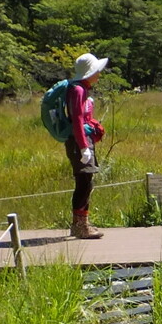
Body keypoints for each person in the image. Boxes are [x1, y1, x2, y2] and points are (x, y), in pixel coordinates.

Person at [64, 52, 108, 239]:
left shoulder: (81, 89)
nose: (99, 74)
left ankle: (83, 224)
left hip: (82, 141)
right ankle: (80, 227)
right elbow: (77, 121)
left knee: (86, 181)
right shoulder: (78, 90)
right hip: (79, 142)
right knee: (84, 182)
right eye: (96, 71)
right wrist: (83, 147)